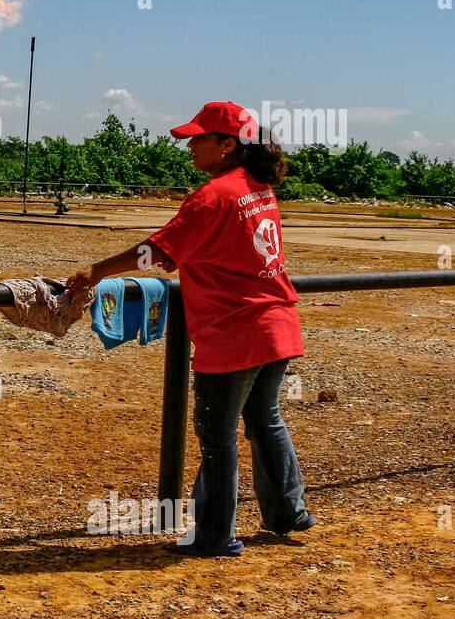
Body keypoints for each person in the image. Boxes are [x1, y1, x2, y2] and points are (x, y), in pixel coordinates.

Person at [65, 101, 316, 557]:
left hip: (234, 331)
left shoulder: (213, 196)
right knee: (265, 420)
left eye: (199, 139)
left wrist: (95, 271)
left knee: (217, 434)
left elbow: (158, 252)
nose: (190, 146)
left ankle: (215, 535)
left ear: (226, 145)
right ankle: (287, 512)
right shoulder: (257, 187)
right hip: (276, 324)